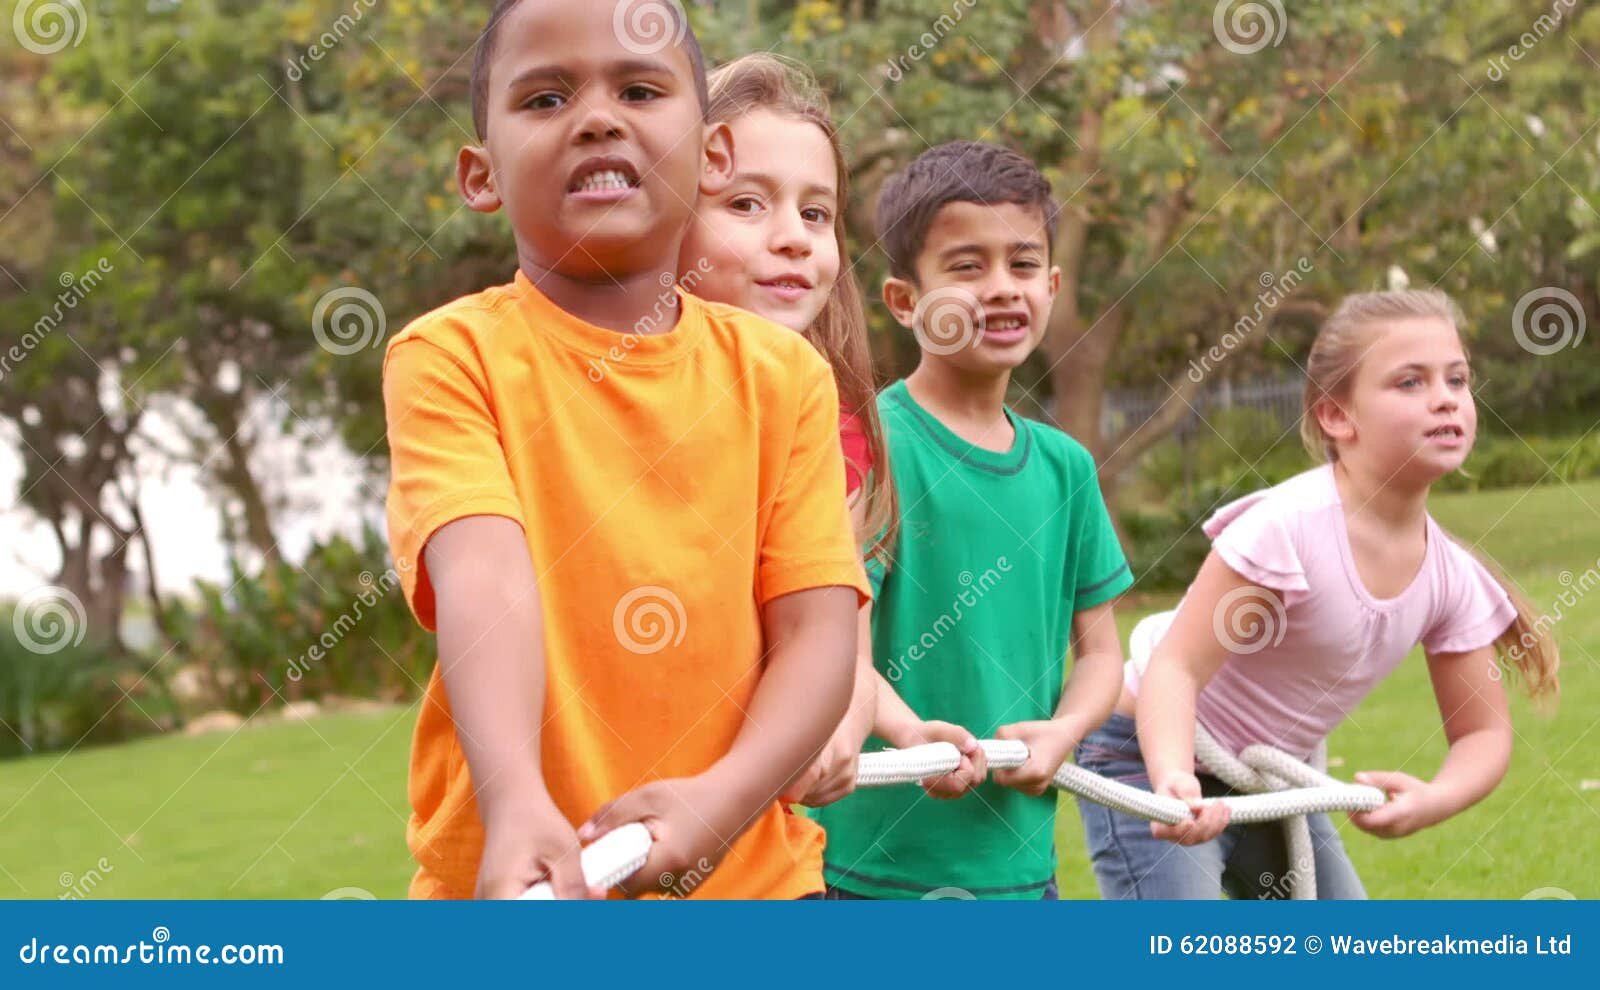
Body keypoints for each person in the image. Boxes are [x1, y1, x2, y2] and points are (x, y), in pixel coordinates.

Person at [382, 0, 868, 900]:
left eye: (640, 89)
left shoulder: (785, 375)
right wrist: (516, 800)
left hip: (761, 892)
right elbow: (484, 581)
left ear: (711, 154)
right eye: (544, 99)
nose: (598, 117)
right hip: (517, 884)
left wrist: (719, 805)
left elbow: (817, 633)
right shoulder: (449, 358)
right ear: (480, 175)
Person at [1077, 288, 1561, 899]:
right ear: (1337, 416)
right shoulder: (1288, 530)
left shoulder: (1452, 578)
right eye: (1410, 382)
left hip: (1271, 782)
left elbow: (1483, 734)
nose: (1445, 398)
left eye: (1457, 380)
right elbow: (1176, 665)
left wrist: (1434, 799)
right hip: (1147, 756)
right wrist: (1173, 776)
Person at [814, 141, 1133, 899]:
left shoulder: (1066, 469)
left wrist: (1064, 732)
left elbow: (1100, 657)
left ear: (1052, 285)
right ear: (903, 301)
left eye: (1022, 266)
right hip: (871, 875)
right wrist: (908, 734)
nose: (1001, 289)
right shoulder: (871, 447)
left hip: (1024, 872)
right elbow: (834, 652)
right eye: (966, 267)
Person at [677, 53, 897, 808]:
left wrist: (839, 726)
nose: (795, 237)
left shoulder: (836, 435)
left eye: (816, 214)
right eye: (745, 205)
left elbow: (843, 653)